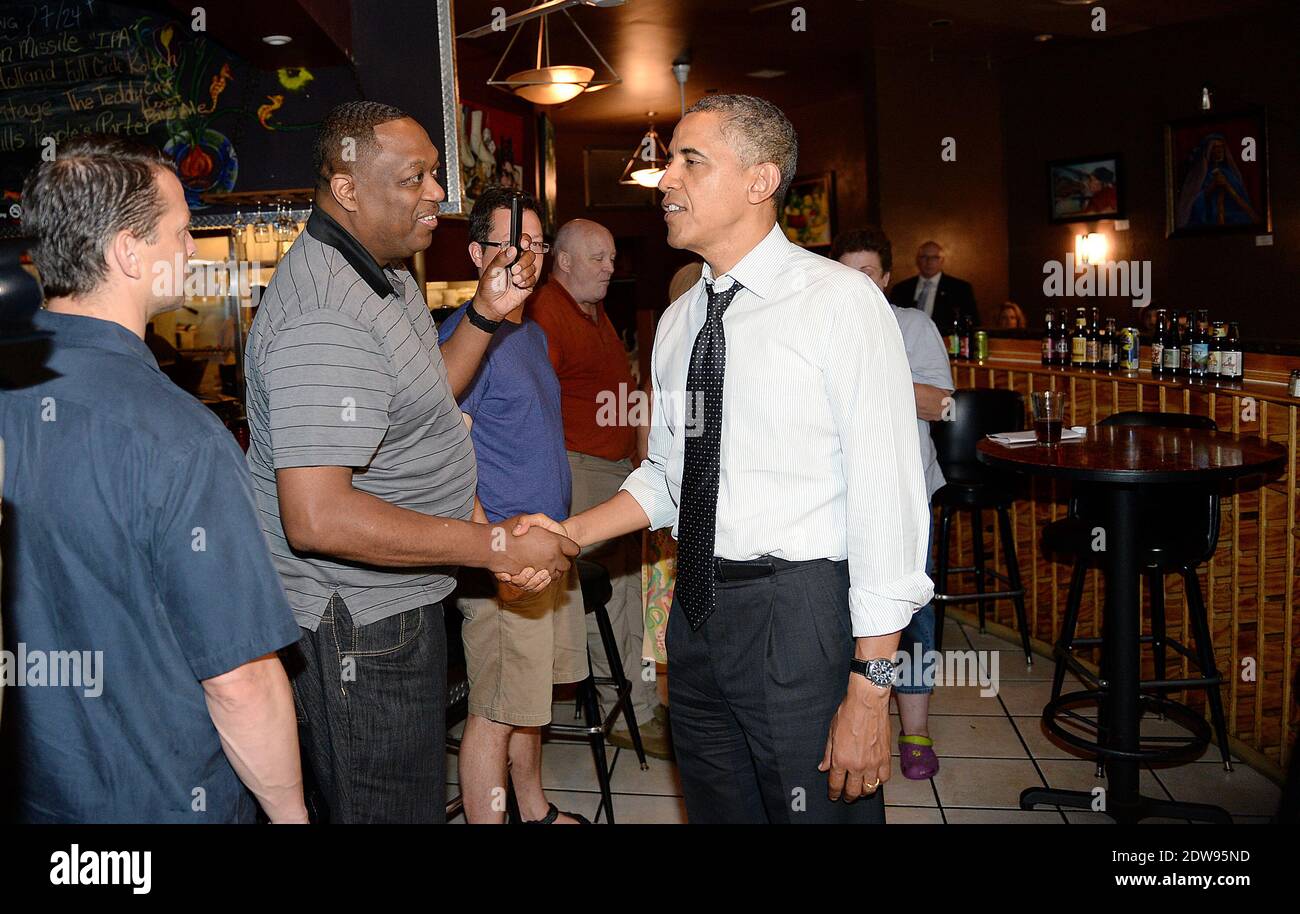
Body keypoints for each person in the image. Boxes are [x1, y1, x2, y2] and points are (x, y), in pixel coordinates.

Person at [515, 95, 933, 823]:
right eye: (669, 158)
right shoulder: (680, 321)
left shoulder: (839, 304)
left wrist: (872, 685)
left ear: (759, 180)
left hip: (799, 612)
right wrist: (566, 535)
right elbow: (669, 479)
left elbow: (888, 500)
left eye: (689, 160)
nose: (665, 177)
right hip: (697, 609)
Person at [243, 101, 576, 824]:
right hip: (356, 618)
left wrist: (485, 313)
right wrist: (494, 543)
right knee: (387, 808)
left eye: (435, 174)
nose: (437, 194)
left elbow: (424, 398)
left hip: (396, 594)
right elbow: (317, 517)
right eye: (415, 178)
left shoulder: (384, 274)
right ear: (348, 190)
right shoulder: (327, 313)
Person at [0, 136, 307, 823]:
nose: (193, 249)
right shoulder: (177, 438)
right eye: (180, 231)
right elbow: (241, 681)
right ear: (126, 254)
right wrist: (291, 814)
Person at [436, 186, 589, 825]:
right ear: (476, 254)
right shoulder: (462, 338)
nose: (524, 258)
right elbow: (445, 461)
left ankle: (535, 810)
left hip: (545, 556)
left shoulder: (526, 334)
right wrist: (492, 553)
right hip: (505, 564)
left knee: (528, 703)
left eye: (533, 245)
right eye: (508, 244)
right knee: (494, 713)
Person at [527, 219, 667, 758]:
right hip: (578, 469)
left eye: (612, 257)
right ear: (562, 260)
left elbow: (620, 389)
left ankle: (637, 704)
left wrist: (640, 451)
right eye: (599, 258)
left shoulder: (594, 310)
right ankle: (630, 709)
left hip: (616, 470)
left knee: (629, 594)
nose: (612, 267)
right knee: (604, 599)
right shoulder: (547, 310)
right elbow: (535, 404)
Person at [832, 227, 954, 781]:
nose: (854, 283)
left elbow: (942, 407)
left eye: (866, 274)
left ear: (884, 279)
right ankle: (852, 718)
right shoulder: (821, 327)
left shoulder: (914, 326)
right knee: (839, 612)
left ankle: (916, 730)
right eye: (844, 272)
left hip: (907, 497)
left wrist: (878, 369)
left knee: (912, 614)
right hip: (835, 499)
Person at [890, 240, 978, 330]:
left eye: (935, 257)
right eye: (924, 257)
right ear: (917, 260)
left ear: (942, 260)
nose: (929, 261)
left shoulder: (960, 289)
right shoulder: (901, 289)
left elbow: (972, 323)